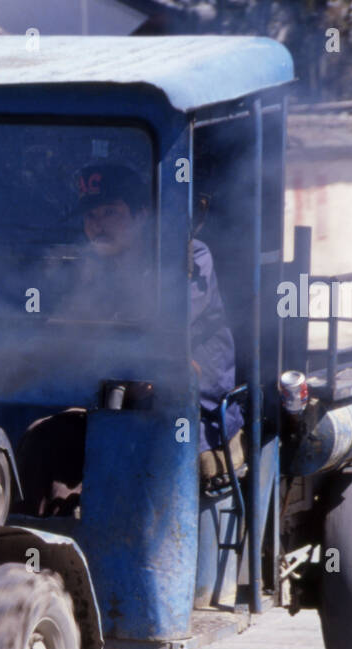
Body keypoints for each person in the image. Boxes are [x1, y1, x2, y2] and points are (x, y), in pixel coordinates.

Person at [72, 163, 244, 476]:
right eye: (91, 217)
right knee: (46, 446)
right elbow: (69, 333)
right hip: (111, 407)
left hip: (193, 416)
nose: (98, 226)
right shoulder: (91, 268)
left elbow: (163, 328)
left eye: (110, 213)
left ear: (141, 215)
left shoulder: (191, 258)